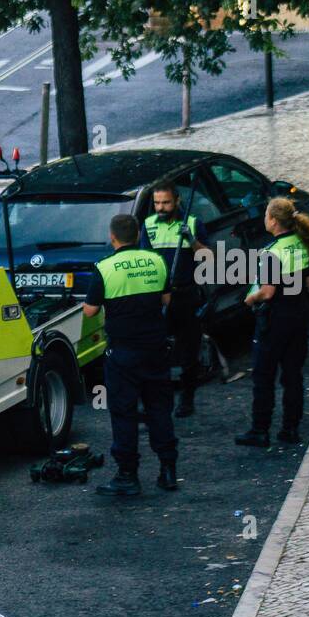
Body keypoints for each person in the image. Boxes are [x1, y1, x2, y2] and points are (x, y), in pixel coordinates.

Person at [84, 213, 179, 496]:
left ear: (113, 237)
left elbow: (90, 310)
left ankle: (128, 475)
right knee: (159, 408)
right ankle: (168, 469)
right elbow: (166, 299)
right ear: (138, 235)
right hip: (156, 349)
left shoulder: (104, 268)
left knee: (124, 412)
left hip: (123, 353)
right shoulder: (156, 261)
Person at [234, 197, 309, 448]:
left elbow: (267, 292)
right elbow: (308, 282)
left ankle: (260, 429)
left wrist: (249, 300)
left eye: (266, 215)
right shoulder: (301, 244)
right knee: (293, 375)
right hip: (298, 317)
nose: (265, 219)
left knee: (264, 376)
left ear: (273, 221)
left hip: (275, 320)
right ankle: (291, 429)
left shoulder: (271, 253)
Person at [140, 182, 212, 417]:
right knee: (153, 350)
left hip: (185, 294)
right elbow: (144, 260)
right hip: (159, 295)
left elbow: (208, 257)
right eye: (157, 203)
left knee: (188, 351)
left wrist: (192, 240)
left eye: (166, 203)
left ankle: (187, 399)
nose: (160, 207)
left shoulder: (191, 223)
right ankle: (156, 400)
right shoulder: (148, 225)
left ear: (177, 201)